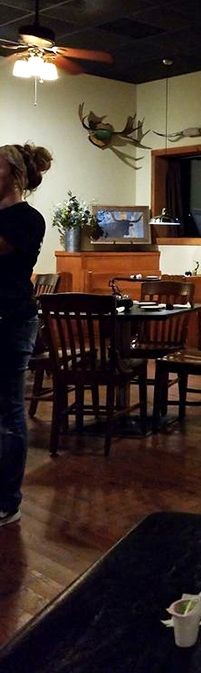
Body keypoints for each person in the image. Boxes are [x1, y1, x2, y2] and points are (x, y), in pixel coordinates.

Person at [0, 143, 52, 527]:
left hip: (10, 319)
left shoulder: (25, 218)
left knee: (8, 413)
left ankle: (7, 502)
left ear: (14, 175)